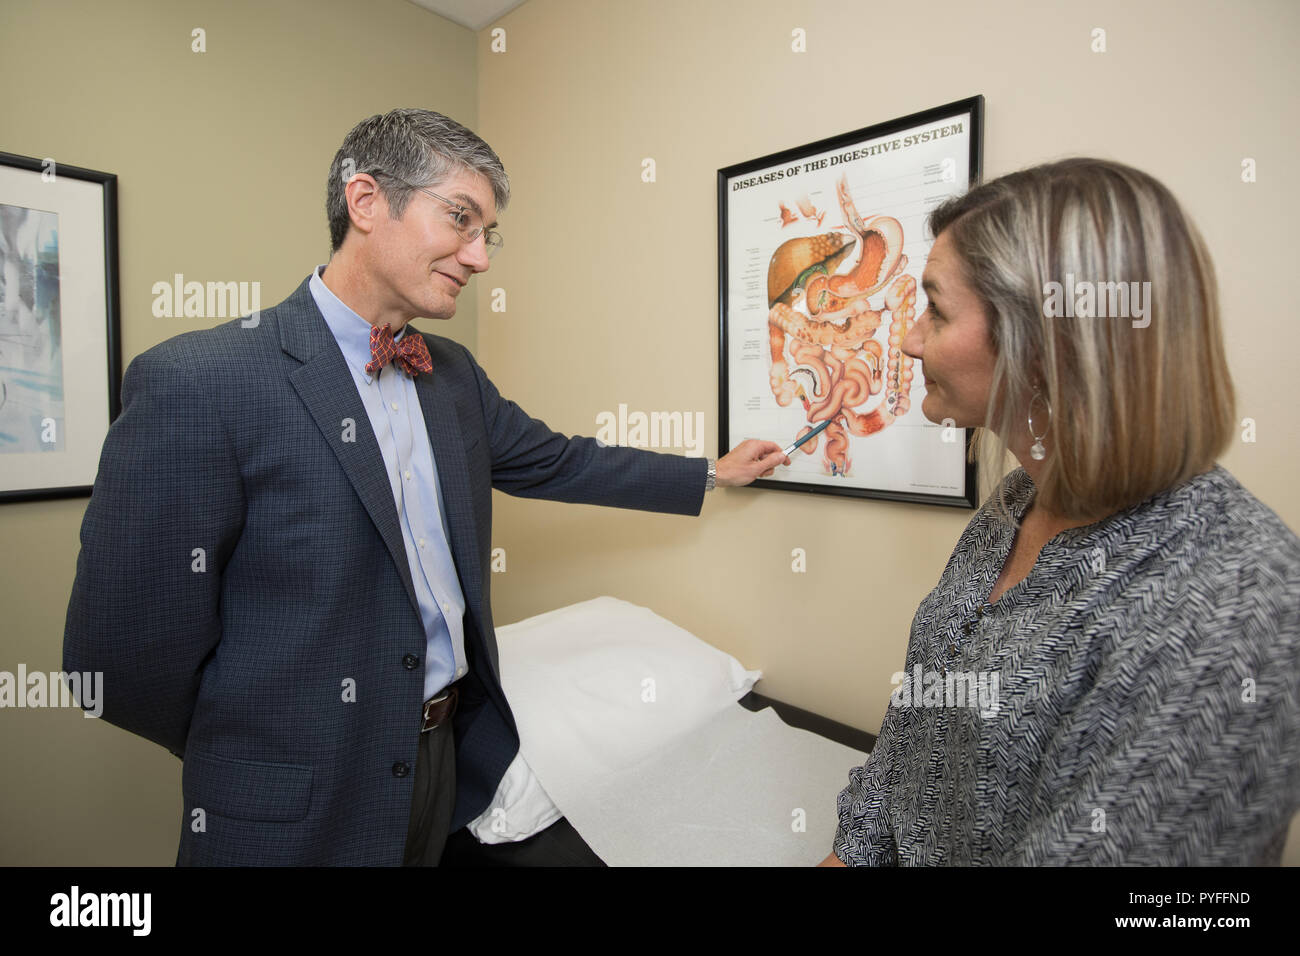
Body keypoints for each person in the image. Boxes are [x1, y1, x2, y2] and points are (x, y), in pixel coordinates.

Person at [62, 108, 787, 866]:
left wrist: (712, 471)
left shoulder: (452, 374)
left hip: (441, 762)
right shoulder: (205, 381)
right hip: (287, 788)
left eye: (488, 234)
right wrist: (252, 742)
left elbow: (561, 461)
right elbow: (115, 657)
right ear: (367, 202)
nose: (479, 257)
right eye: (461, 220)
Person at [820, 157, 1299, 866]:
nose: (912, 339)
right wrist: (851, 854)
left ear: (1044, 347)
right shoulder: (1015, 504)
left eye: (937, 310)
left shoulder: (1240, 600)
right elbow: (920, 716)